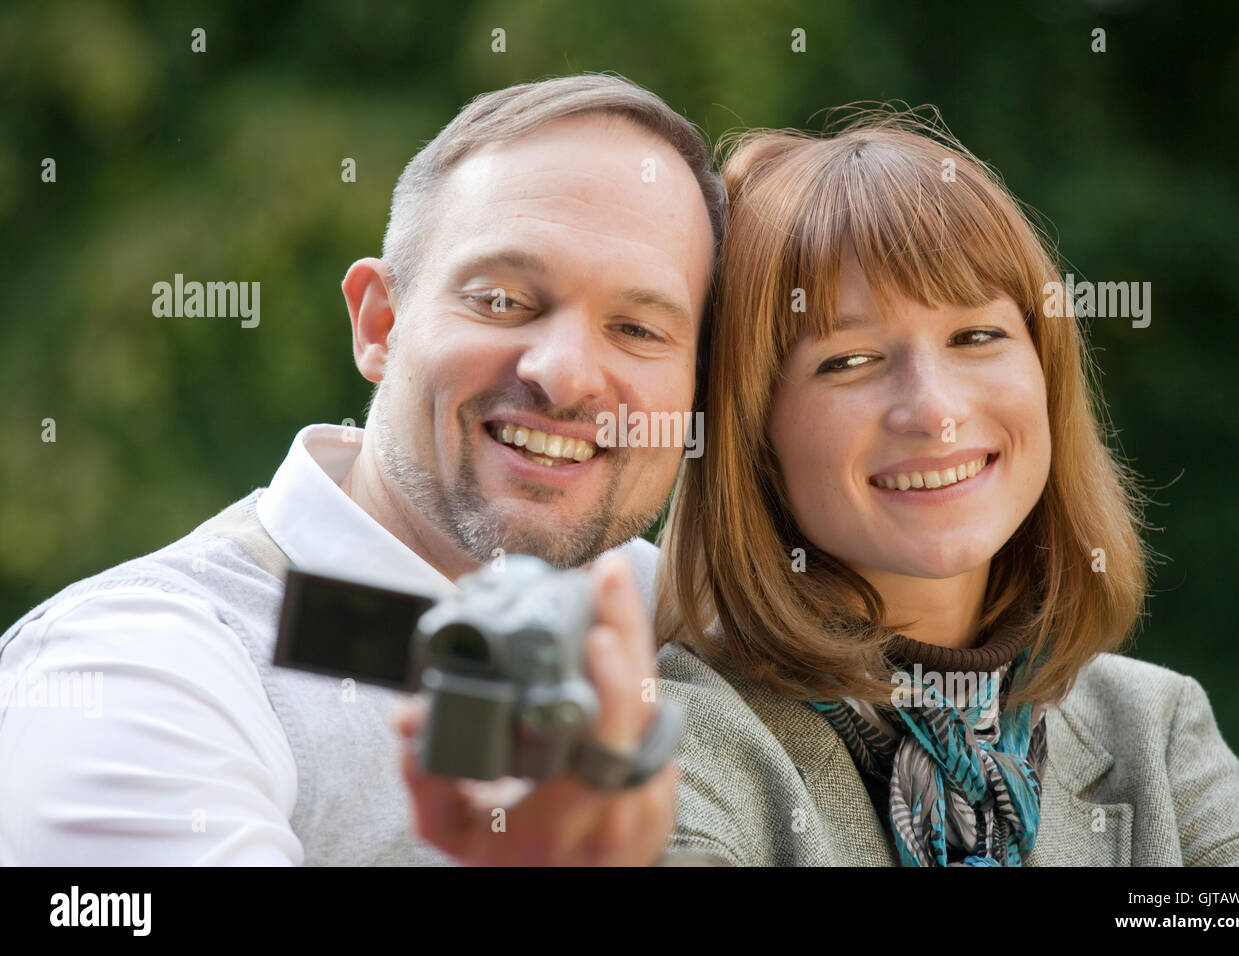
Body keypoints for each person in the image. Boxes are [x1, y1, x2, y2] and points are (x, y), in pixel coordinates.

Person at [0, 73, 725, 866]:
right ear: (379, 324)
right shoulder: (138, 669)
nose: (564, 373)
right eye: (501, 300)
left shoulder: (694, 620)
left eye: (638, 329)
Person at [652, 108, 1239, 866]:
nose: (935, 410)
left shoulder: (1154, 725)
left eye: (976, 337)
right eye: (849, 360)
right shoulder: (674, 735)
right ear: (751, 434)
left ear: (1046, 371)